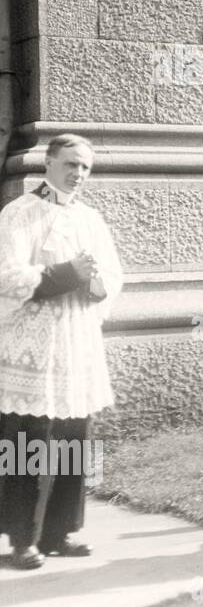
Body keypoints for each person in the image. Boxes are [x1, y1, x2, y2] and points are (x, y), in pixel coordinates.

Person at [0, 134, 123, 570]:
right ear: (48, 163)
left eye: (86, 167)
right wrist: (65, 273)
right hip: (34, 344)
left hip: (77, 342)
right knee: (30, 440)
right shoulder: (19, 214)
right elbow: (9, 277)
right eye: (71, 164)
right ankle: (22, 538)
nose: (78, 174)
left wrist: (94, 283)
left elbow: (112, 275)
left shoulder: (91, 218)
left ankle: (60, 532)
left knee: (73, 436)